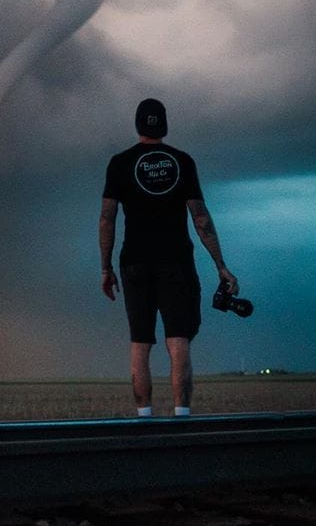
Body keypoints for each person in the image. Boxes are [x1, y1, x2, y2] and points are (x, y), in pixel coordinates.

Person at [99, 98, 238, 417]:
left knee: (140, 343)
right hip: (176, 261)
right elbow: (200, 217)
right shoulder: (182, 162)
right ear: (165, 125)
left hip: (133, 262)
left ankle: (144, 419)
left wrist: (105, 268)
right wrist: (220, 265)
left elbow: (107, 218)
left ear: (137, 126)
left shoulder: (119, 163)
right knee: (179, 341)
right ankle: (181, 418)